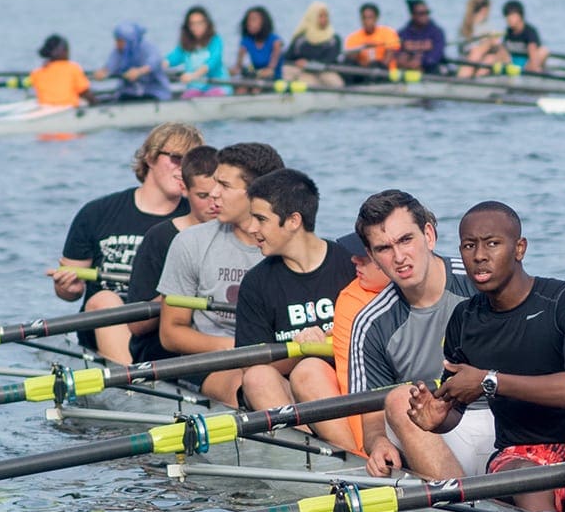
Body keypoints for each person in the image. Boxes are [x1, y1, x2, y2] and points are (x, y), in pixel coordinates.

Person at [396, 201, 565, 512]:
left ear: (519, 249)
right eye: (469, 246)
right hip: (517, 457)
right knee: (527, 480)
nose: (479, 256)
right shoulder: (464, 318)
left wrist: (490, 381)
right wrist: (437, 420)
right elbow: (455, 406)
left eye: (492, 244)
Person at [349, 189, 495, 481]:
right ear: (372, 257)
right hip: (437, 437)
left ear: (428, 235)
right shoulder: (371, 324)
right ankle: (463, 502)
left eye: (406, 240)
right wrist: (378, 443)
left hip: (504, 420)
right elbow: (372, 420)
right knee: (399, 399)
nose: (399, 257)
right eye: (384, 248)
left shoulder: (480, 282)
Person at [54, 122, 205, 364]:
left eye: (191, 163)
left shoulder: (199, 219)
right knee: (105, 300)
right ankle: (133, 378)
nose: (183, 170)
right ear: (150, 157)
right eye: (177, 158)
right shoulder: (97, 213)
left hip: (163, 327)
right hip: (106, 322)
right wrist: (67, 288)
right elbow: (69, 291)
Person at [234, 169, 360, 442]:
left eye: (261, 219)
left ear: (293, 221)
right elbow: (250, 365)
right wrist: (301, 351)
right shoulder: (256, 283)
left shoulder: (351, 263)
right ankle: (308, 452)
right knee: (257, 377)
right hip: (292, 399)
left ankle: (353, 455)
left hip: (349, 386)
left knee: (311, 372)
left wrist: (333, 338)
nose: (251, 228)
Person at [156, 141, 284, 407]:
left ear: (258, 193)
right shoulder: (191, 243)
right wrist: (237, 347)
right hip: (213, 363)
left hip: (278, 356)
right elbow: (171, 333)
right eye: (215, 184)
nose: (213, 194)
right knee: (251, 383)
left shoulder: (291, 245)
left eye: (224, 186)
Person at [121, 143, 221, 363]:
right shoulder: (159, 238)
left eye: (219, 194)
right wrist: (177, 289)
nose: (214, 203)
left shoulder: (241, 235)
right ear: (184, 189)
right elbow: (136, 325)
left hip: (217, 350)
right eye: (203, 195)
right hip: (160, 357)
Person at [326, 232, 391, 455]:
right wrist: (367, 448)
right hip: (380, 422)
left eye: (365, 255)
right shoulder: (352, 299)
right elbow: (356, 388)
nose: (354, 259)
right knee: (308, 370)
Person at [91, 22, 170, 100]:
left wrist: (139, 72)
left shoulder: (148, 48)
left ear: (130, 41)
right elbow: (111, 65)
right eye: (116, 40)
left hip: (154, 92)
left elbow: (154, 62)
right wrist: (103, 72)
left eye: (120, 41)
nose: (117, 44)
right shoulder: (118, 51)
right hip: (129, 92)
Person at [166, 5, 228, 96]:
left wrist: (194, 75)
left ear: (206, 24)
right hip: (195, 88)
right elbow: (172, 58)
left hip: (218, 85)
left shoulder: (215, 41)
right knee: (187, 96)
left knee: (210, 96)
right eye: (192, 24)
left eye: (200, 23)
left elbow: (213, 61)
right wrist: (156, 65)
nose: (196, 27)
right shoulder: (186, 44)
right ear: (188, 26)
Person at [282, 2, 343, 86]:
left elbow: (328, 60)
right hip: (303, 72)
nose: (324, 19)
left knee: (336, 83)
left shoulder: (334, 40)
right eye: (320, 16)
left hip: (325, 72)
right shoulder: (301, 39)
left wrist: (309, 64)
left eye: (326, 16)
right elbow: (288, 57)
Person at [28, 34, 91, 108]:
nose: (68, 52)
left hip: (45, 108)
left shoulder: (36, 73)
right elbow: (84, 93)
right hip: (68, 110)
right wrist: (96, 102)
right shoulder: (73, 68)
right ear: (59, 51)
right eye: (66, 49)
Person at [455, 0, 507, 78]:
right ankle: (472, 79)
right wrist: (491, 42)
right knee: (487, 55)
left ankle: (471, 79)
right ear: (484, 10)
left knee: (490, 57)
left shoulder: (464, 25)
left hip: (472, 60)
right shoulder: (483, 27)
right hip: (471, 59)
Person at [231, 6, 284, 84]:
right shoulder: (246, 41)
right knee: (241, 87)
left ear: (263, 22)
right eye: (248, 20)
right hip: (255, 78)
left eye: (254, 20)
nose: (249, 23)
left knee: (256, 86)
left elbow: (270, 70)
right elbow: (238, 66)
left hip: (273, 80)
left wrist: (256, 74)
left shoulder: (275, 42)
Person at [342, 2, 400, 74]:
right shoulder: (353, 38)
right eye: (364, 18)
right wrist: (361, 48)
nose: (366, 21)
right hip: (363, 71)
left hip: (384, 72)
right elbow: (351, 58)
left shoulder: (388, 33)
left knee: (375, 65)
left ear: (376, 18)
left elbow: (390, 54)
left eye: (370, 17)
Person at [396, 0, 447, 74]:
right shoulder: (402, 34)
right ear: (412, 15)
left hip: (430, 70)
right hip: (407, 69)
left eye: (427, 12)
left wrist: (421, 62)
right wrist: (404, 62)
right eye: (421, 13)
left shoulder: (437, 33)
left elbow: (436, 54)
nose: (425, 16)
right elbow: (396, 53)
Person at [500, 0, 550, 74]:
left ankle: (532, 73)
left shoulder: (530, 32)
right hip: (512, 66)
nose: (509, 19)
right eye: (507, 16)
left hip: (527, 66)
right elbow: (504, 51)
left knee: (544, 51)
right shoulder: (508, 31)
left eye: (512, 15)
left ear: (520, 15)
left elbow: (533, 52)